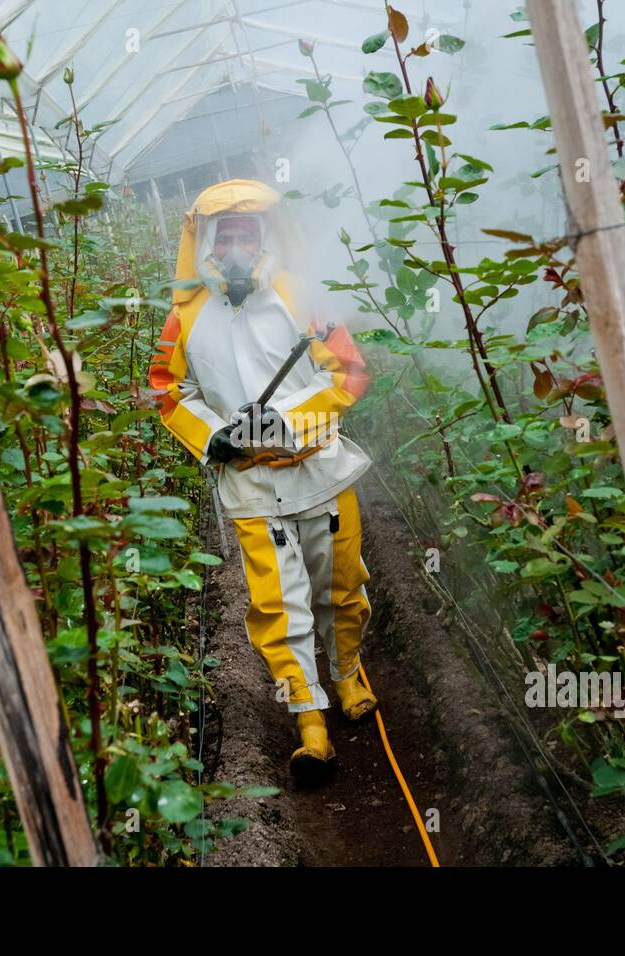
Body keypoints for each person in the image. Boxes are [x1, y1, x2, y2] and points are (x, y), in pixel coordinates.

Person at [149, 179, 376, 780]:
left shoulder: (304, 299)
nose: (239, 245)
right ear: (208, 243)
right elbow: (168, 391)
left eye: (250, 231)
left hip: (320, 472)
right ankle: (310, 722)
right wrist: (211, 435)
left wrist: (287, 419)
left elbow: (349, 373)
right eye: (228, 234)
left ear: (267, 235)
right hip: (250, 489)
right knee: (279, 606)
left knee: (341, 585)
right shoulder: (185, 316)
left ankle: (349, 673)